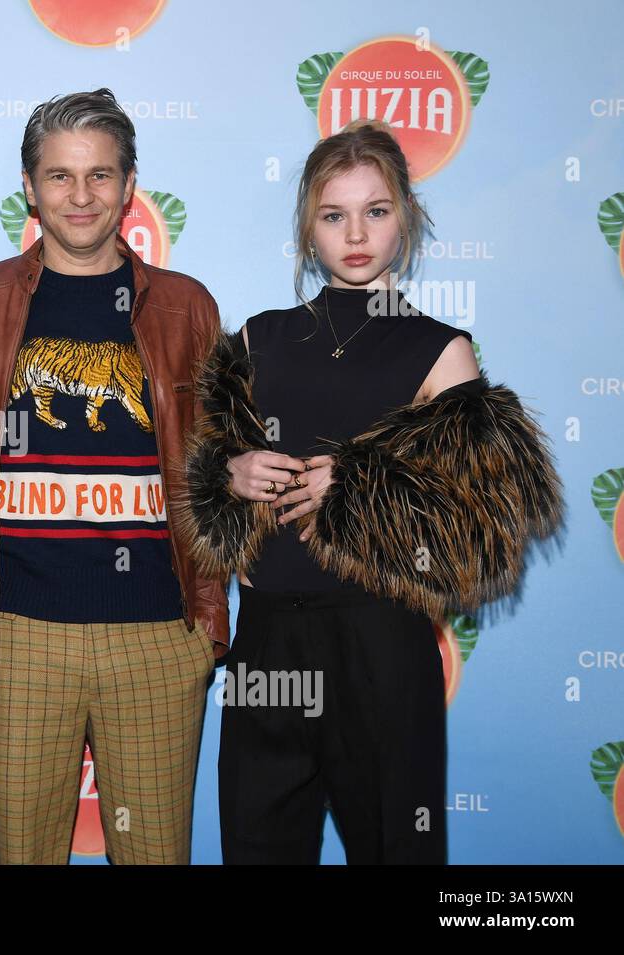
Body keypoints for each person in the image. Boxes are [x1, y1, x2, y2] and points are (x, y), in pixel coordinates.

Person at [175, 118, 563, 864]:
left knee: (397, 849)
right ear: (308, 228)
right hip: (268, 640)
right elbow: (204, 480)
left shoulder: (439, 348)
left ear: (405, 218)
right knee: (257, 846)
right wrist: (229, 476)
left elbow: (483, 527)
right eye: (334, 214)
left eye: (375, 210)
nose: (356, 232)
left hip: (380, 642)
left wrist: (355, 486)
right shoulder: (259, 337)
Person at [0, 89, 228, 864]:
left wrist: (204, 628)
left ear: (131, 185)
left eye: (100, 175)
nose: (81, 195)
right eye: (59, 176)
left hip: (159, 638)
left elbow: (220, 467)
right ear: (28, 187)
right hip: (13, 636)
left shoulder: (188, 307)